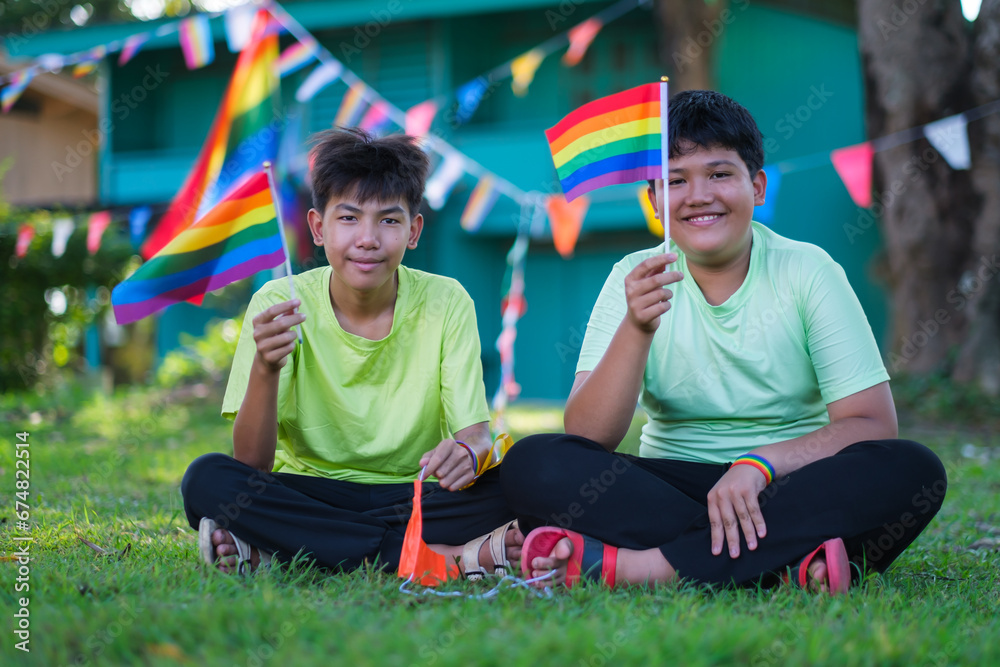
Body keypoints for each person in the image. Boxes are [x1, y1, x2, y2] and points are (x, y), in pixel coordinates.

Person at [501, 90, 946, 593]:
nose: (698, 195)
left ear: (757, 186)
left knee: (914, 469)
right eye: (675, 181)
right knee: (534, 463)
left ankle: (643, 569)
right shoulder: (633, 275)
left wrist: (760, 463)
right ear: (654, 200)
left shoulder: (809, 270)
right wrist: (637, 328)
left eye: (718, 174)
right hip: (667, 486)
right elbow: (588, 436)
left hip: (787, 484)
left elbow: (871, 424)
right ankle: (787, 564)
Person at [182, 128, 520, 577]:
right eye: (348, 218)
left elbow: (475, 437)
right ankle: (447, 560)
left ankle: (281, 551)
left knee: (521, 483)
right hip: (308, 491)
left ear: (414, 231)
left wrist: (466, 453)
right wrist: (265, 367)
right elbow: (251, 464)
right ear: (318, 227)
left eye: (389, 221)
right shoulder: (279, 301)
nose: (367, 239)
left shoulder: (447, 300)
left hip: (414, 494)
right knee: (207, 479)